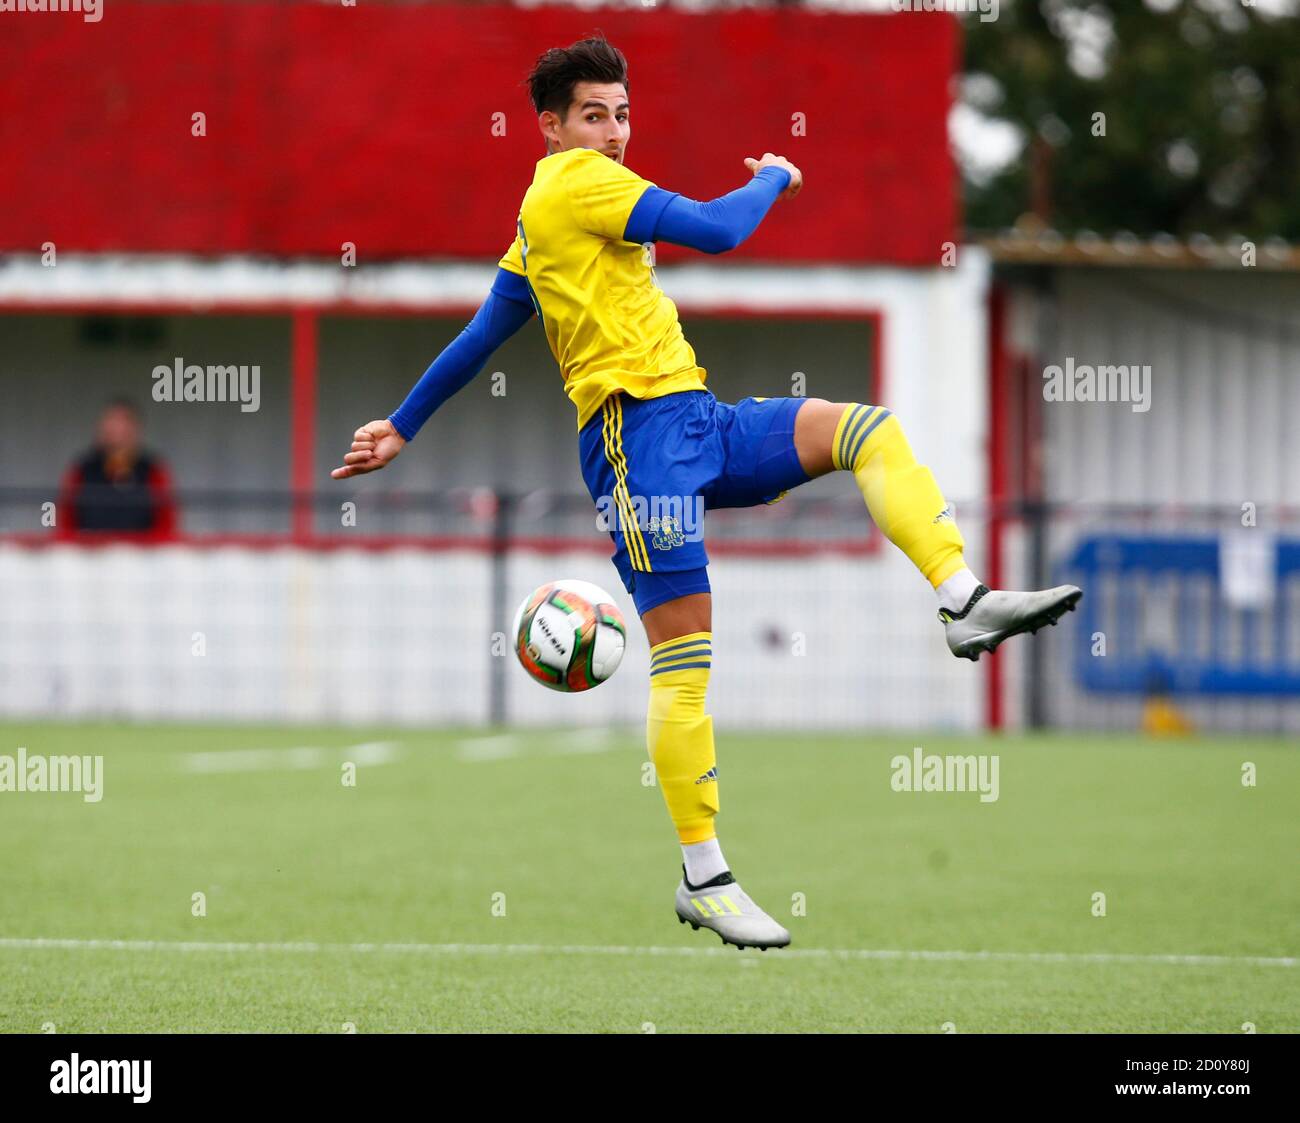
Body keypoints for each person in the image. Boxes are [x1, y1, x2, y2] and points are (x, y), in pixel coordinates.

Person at [332, 36, 1081, 950]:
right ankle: (705, 875)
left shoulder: (544, 219)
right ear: (551, 128)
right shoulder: (575, 183)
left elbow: (485, 329)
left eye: (622, 114)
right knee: (686, 660)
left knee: (864, 430)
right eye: (593, 116)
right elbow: (721, 228)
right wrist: (776, 175)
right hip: (634, 442)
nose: (612, 133)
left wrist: (402, 423)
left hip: (696, 420)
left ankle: (962, 598)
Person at [58, 398, 178, 539]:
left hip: (142, 557)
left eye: (123, 422)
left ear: (136, 429)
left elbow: (167, 526)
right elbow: (63, 523)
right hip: (89, 557)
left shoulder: (154, 471)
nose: (116, 429)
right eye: (111, 421)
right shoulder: (82, 470)